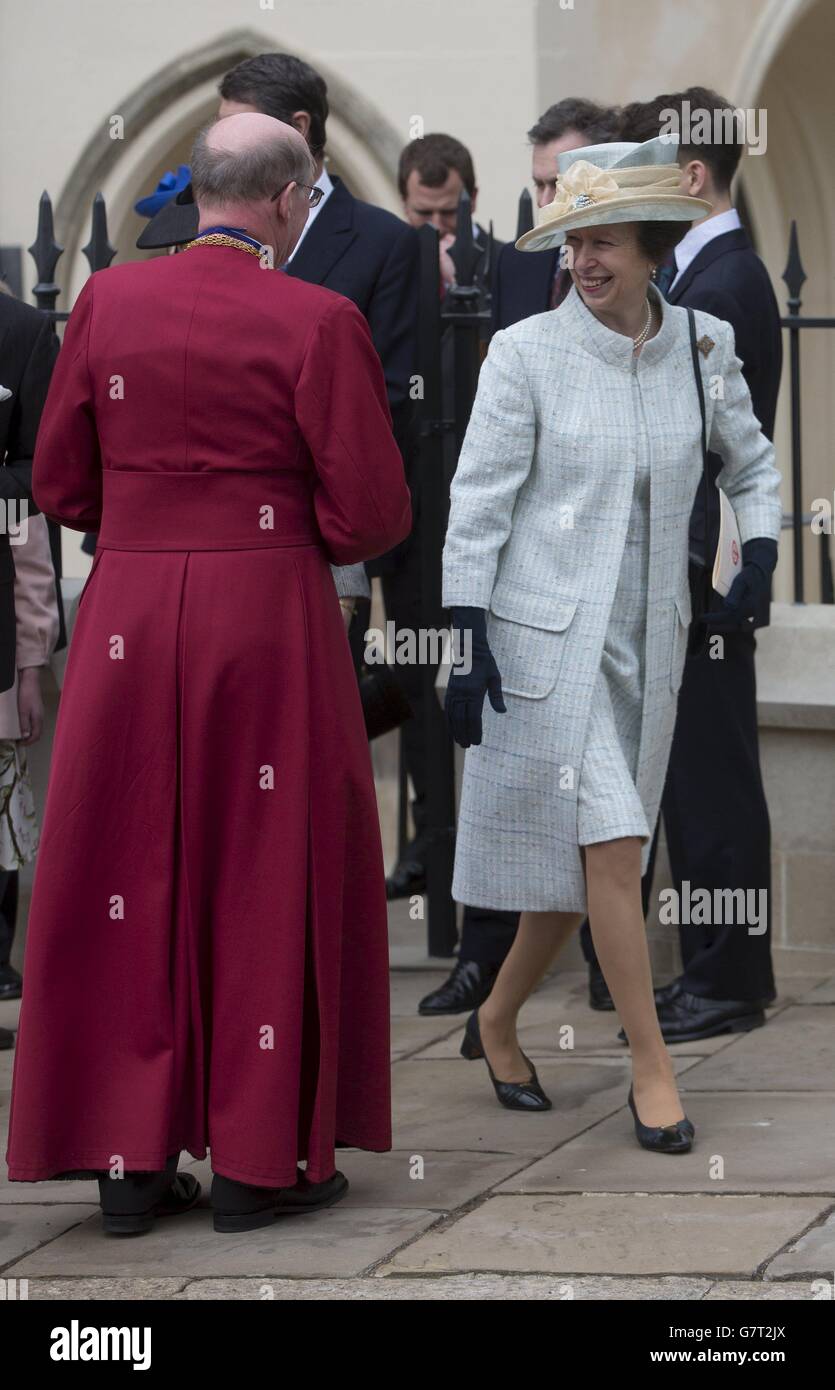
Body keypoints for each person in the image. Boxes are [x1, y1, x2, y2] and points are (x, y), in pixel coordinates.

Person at [5, 113, 411, 1232]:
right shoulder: (320, 318)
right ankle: (255, 1161)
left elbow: (59, 479)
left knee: (123, 856)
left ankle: (127, 1163)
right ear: (287, 202)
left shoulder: (102, 303)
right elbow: (370, 509)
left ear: (200, 198)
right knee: (263, 869)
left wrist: (151, 522)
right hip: (268, 618)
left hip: (133, 606)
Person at [441, 134, 782, 1153]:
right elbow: (478, 503)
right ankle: (652, 1068)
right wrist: (463, 632)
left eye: (604, 242)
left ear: (650, 247)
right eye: (572, 241)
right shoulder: (526, 352)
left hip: (651, 643)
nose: (584, 260)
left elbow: (753, 466)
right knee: (613, 844)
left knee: (590, 864)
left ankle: (497, 1017)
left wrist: (758, 554)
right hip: (545, 644)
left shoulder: (701, 344)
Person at [588, 87, 782, 1044]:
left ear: (692, 177)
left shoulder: (726, 285)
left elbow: (716, 452)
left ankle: (729, 977)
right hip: (685, 577)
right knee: (692, 784)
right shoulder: (714, 277)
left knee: (714, 788)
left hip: (703, 578)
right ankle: (712, 971)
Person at [422, 99, 619, 1020]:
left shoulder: (639, 289)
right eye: (541, 183)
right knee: (504, 789)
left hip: (608, 589)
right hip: (514, 586)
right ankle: (481, 968)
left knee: (603, 806)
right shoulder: (512, 270)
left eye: (566, 184)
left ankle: (596, 975)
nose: (552, 204)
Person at [389, 132, 503, 907]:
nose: (436, 227)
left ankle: (483, 854)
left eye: (449, 212)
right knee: (410, 672)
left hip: (482, 493)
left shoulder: (497, 264)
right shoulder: (393, 266)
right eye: (422, 213)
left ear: (470, 200)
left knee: (487, 671)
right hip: (413, 501)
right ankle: (428, 840)